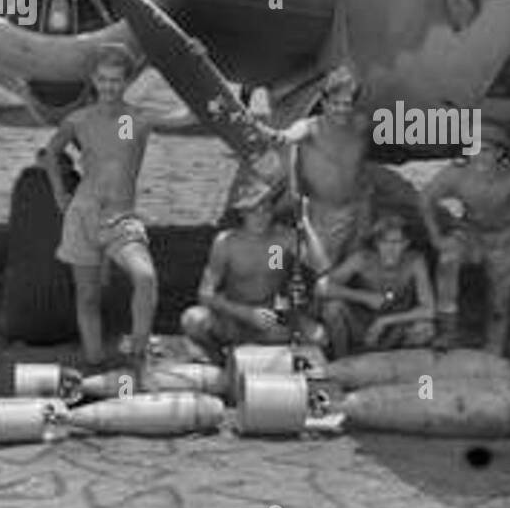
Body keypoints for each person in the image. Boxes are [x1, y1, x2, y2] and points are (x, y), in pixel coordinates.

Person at [44, 44, 158, 367]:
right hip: (82, 215)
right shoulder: (78, 120)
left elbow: (193, 105)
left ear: (127, 82)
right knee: (88, 296)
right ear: (94, 80)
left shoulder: (139, 120)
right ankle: (94, 361)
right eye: (103, 79)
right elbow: (51, 153)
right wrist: (59, 194)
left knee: (145, 277)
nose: (109, 87)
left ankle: (138, 352)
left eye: (116, 80)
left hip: (121, 219)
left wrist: (194, 59)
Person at [420, 122, 510, 355]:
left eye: (486, 150)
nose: (479, 156)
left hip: (506, 239)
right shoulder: (456, 174)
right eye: (474, 148)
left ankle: (493, 348)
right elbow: (425, 199)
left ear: (499, 153)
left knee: (499, 302)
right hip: (471, 234)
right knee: (448, 258)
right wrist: (436, 237)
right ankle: (448, 332)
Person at [181, 178, 323, 360]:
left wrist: (305, 222)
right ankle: (219, 361)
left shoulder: (279, 241)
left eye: (266, 210)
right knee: (192, 319)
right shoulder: (226, 242)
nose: (261, 217)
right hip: (234, 316)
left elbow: (320, 266)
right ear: (242, 214)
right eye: (253, 211)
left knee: (319, 336)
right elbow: (205, 294)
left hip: (270, 320)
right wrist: (246, 313)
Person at [266, 65, 373, 274]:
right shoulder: (309, 127)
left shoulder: (361, 125)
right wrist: (277, 136)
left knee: (350, 269)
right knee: (278, 246)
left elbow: (397, 130)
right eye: (335, 104)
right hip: (319, 213)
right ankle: (275, 283)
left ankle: (334, 288)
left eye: (347, 104)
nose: (342, 110)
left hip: (356, 211)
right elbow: (289, 134)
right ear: (323, 102)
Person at [316, 213, 436, 359]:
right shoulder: (362, 259)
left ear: (406, 244)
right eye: (385, 242)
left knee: (424, 328)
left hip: (394, 326)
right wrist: (364, 297)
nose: (391, 248)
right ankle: (342, 360)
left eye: (397, 242)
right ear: (376, 243)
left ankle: (397, 365)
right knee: (333, 308)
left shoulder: (414, 261)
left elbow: (429, 310)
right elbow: (322, 287)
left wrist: (384, 322)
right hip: (360, 325)